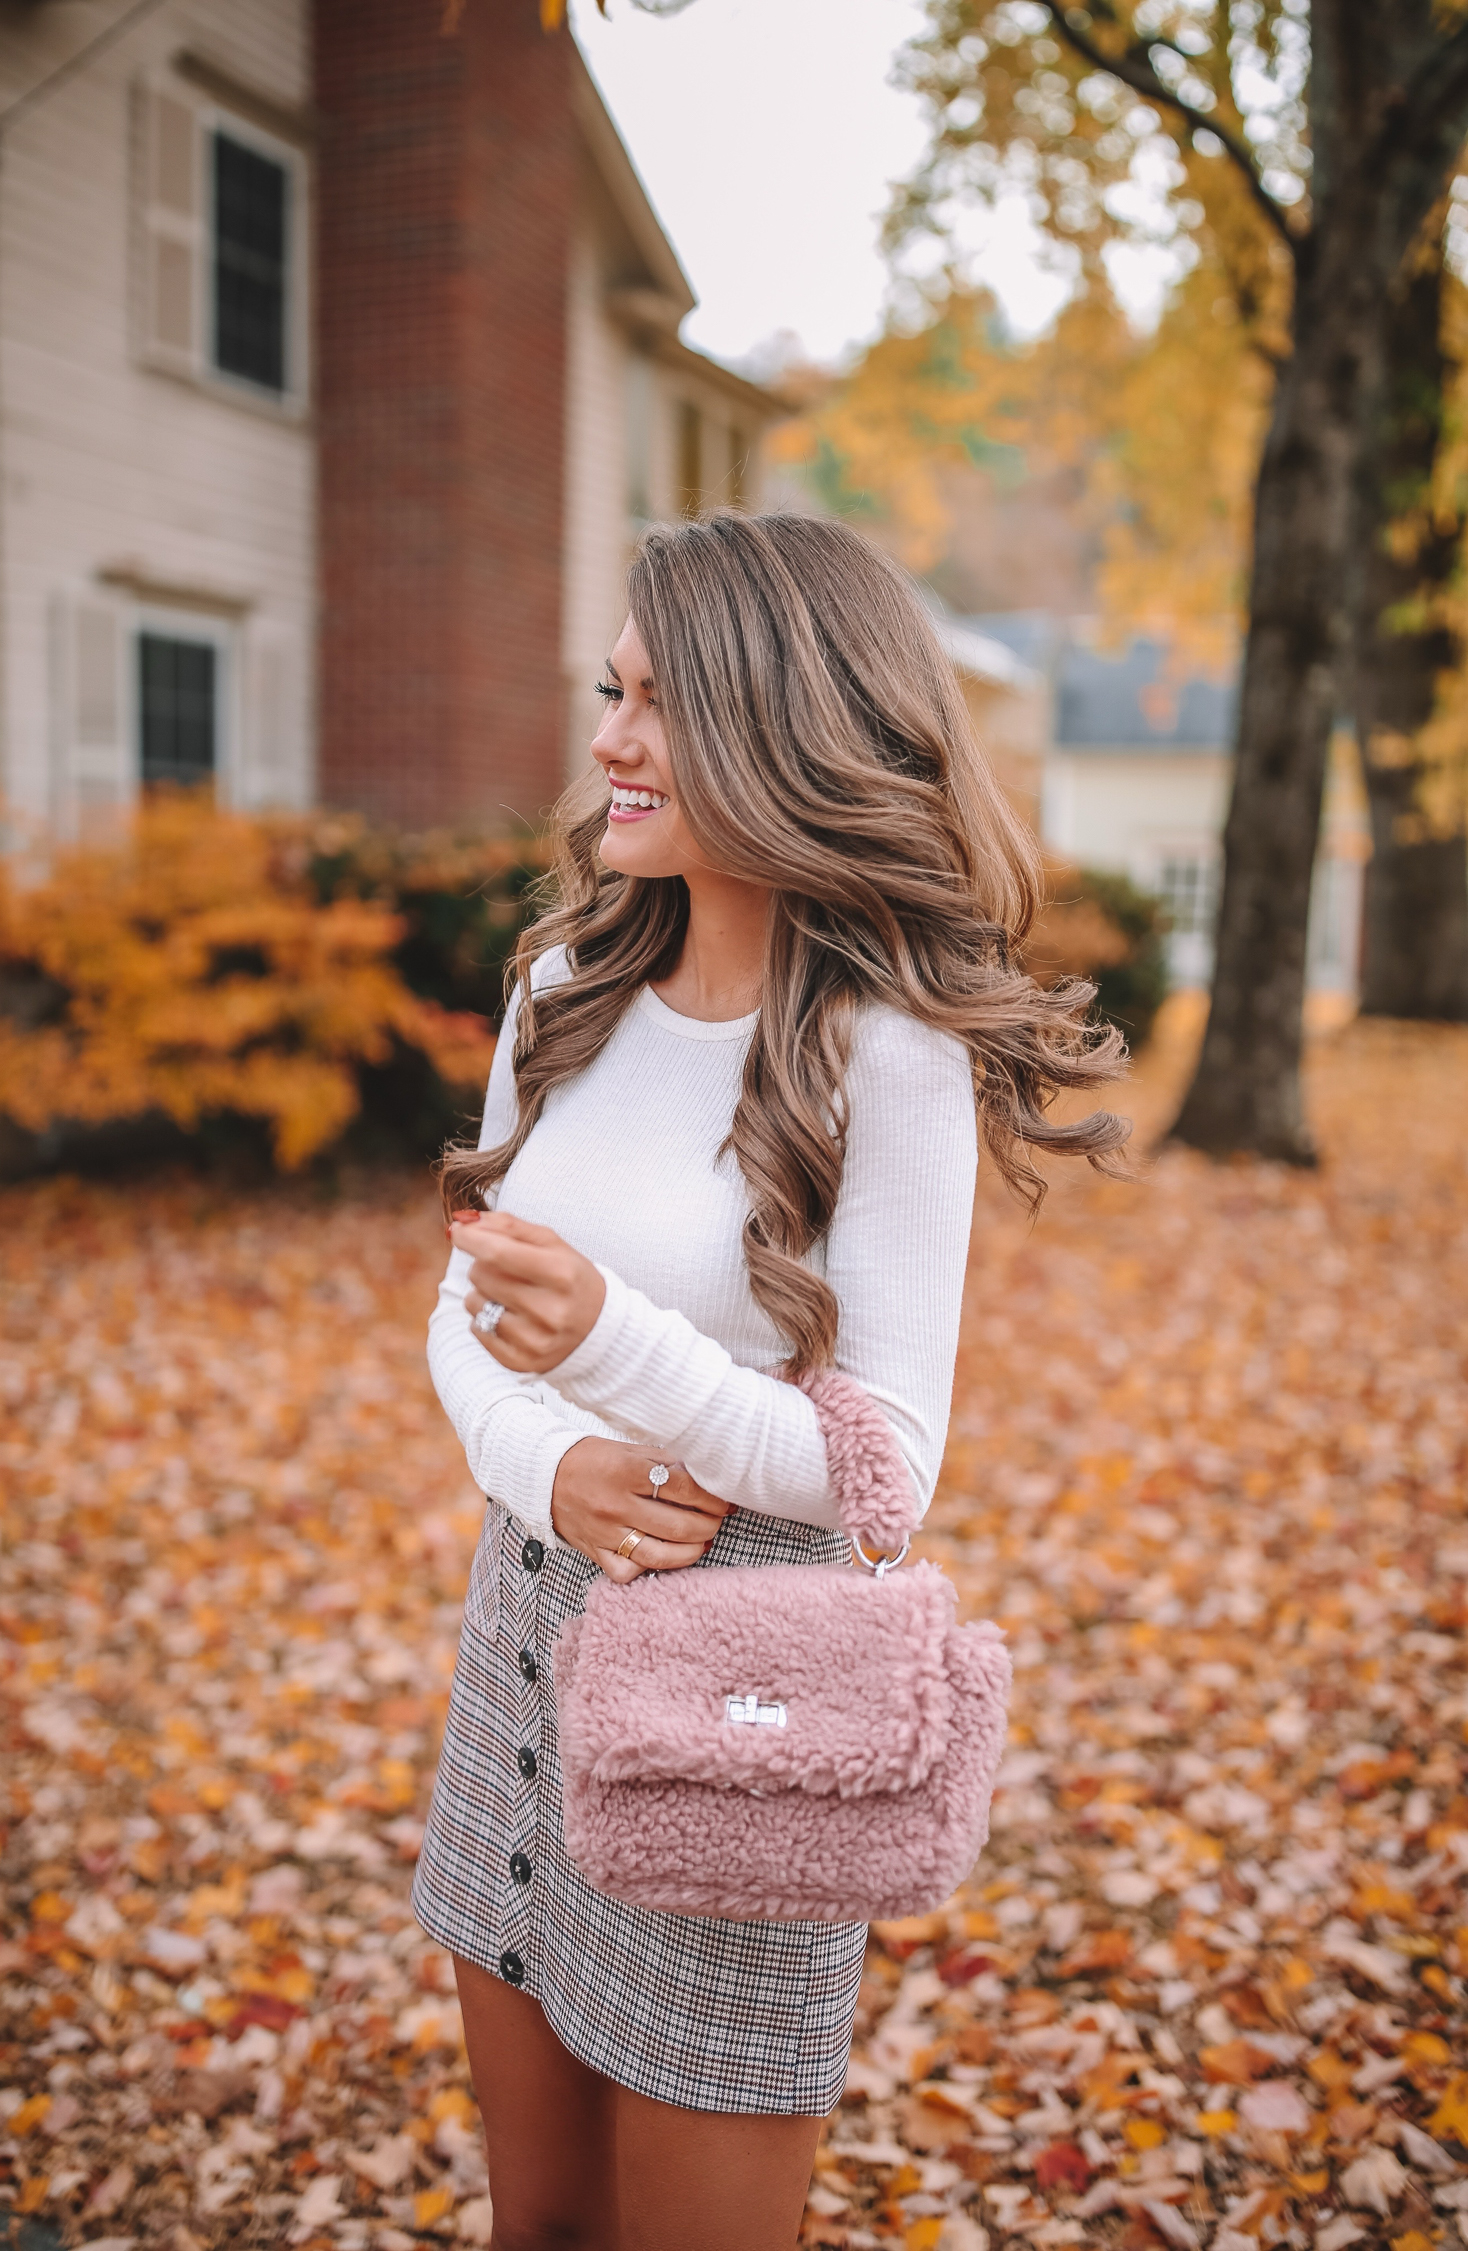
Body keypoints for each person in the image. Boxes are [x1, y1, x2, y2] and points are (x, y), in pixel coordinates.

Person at [412, 512, 1127, 2251]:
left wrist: (610, 1355)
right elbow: (463, 1299)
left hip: (752, 1720)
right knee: (538, 2232)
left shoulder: (894, 1047)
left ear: (775, 720)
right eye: (610, 692)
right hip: (518, 1653)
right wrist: (537, 1462)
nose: (607, 743)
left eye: (656, 702)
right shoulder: (563, 984)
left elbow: (886, 1466)